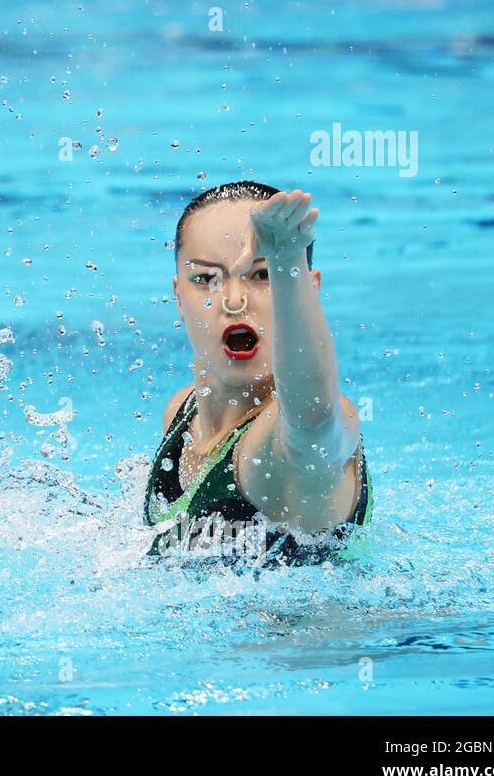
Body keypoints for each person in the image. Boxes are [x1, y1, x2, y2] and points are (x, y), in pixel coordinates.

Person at [144, 182, 371, 564]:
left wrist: (287, 261)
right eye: (205, 279)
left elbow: (312, 418)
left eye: (263, 276)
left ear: (307, 290)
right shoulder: (181, 414)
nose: (234, 301)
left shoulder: (307, 433)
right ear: (178, 296)